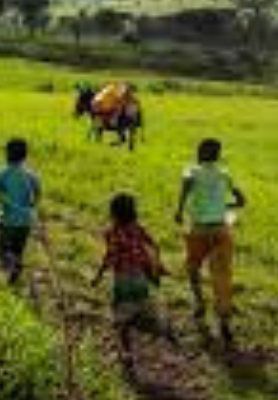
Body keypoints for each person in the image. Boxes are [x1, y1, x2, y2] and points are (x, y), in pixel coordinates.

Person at [174, 138, 247, 346]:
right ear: (217, 156)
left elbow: (186, 186)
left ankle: (199, 303)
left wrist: (179, 210)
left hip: (198, 229)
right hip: (222, 229)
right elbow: (241, 201)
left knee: (192, 267)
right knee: (222, 277)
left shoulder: (191, 170)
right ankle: (224, 322)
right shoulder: (225, 173)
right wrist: (225, 206)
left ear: (199, 154)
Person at [92, 193, 176, 363]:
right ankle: (162, 329)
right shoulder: (138, 229)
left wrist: (98, 275)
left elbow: (110, 257)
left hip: (123, 281)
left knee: (121, 318)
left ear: (113, 213)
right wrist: (156, 268)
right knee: (143, 306)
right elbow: (152, 246)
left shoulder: (112, 233)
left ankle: (126, 352)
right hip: (140, 278)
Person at [0, 138, 42, 286]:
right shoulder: (32, 176)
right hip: (26, 221)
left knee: (1, 250)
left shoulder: (1, 173)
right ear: (25, 156)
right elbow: (37, 196)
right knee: (18, 249)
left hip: (9, 221)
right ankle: (14, 277)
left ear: (7, 154)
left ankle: (13, 264)